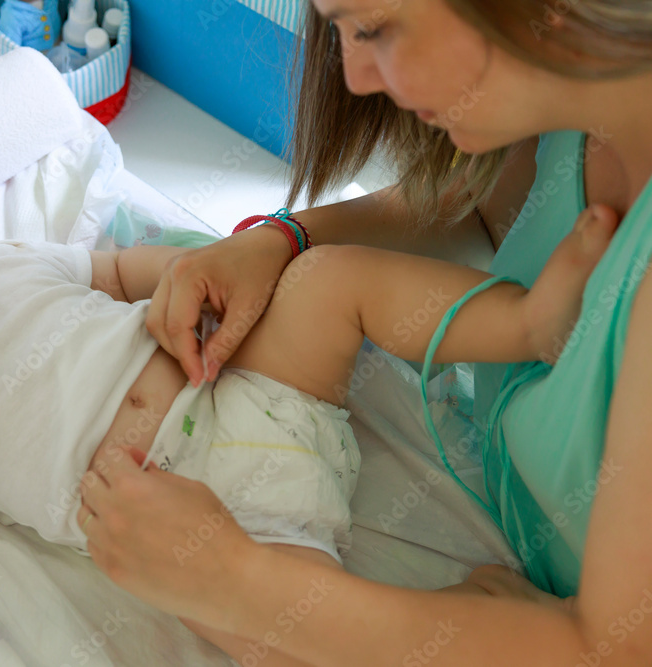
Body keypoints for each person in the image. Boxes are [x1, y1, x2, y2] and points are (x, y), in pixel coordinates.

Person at [0, 163, 612, 664]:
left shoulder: (7, 261)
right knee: (265, 637)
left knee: (331, 279)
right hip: (185, 521)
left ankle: (524, 323)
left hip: (245, 383)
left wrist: (202, 275)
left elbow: (135, 271)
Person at [74, 0, 652, 664]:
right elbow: (478, 206)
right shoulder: (578, 107)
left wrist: (237, 582)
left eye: (374, 27)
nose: (355, 77)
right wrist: (281, 238)